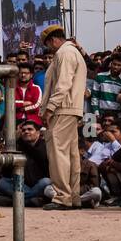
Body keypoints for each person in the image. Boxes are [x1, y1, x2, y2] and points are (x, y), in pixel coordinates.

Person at [38, 25, 86, 210]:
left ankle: (62, 197)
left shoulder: (64, 53)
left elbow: (63, 84)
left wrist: (50, 108)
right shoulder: (73, 52)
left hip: (62, 108)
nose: (49, 48)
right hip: (70, 108)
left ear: (52, 40)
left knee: (58, 154)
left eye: (48, 44)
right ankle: (73, 196)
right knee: (71, 155)